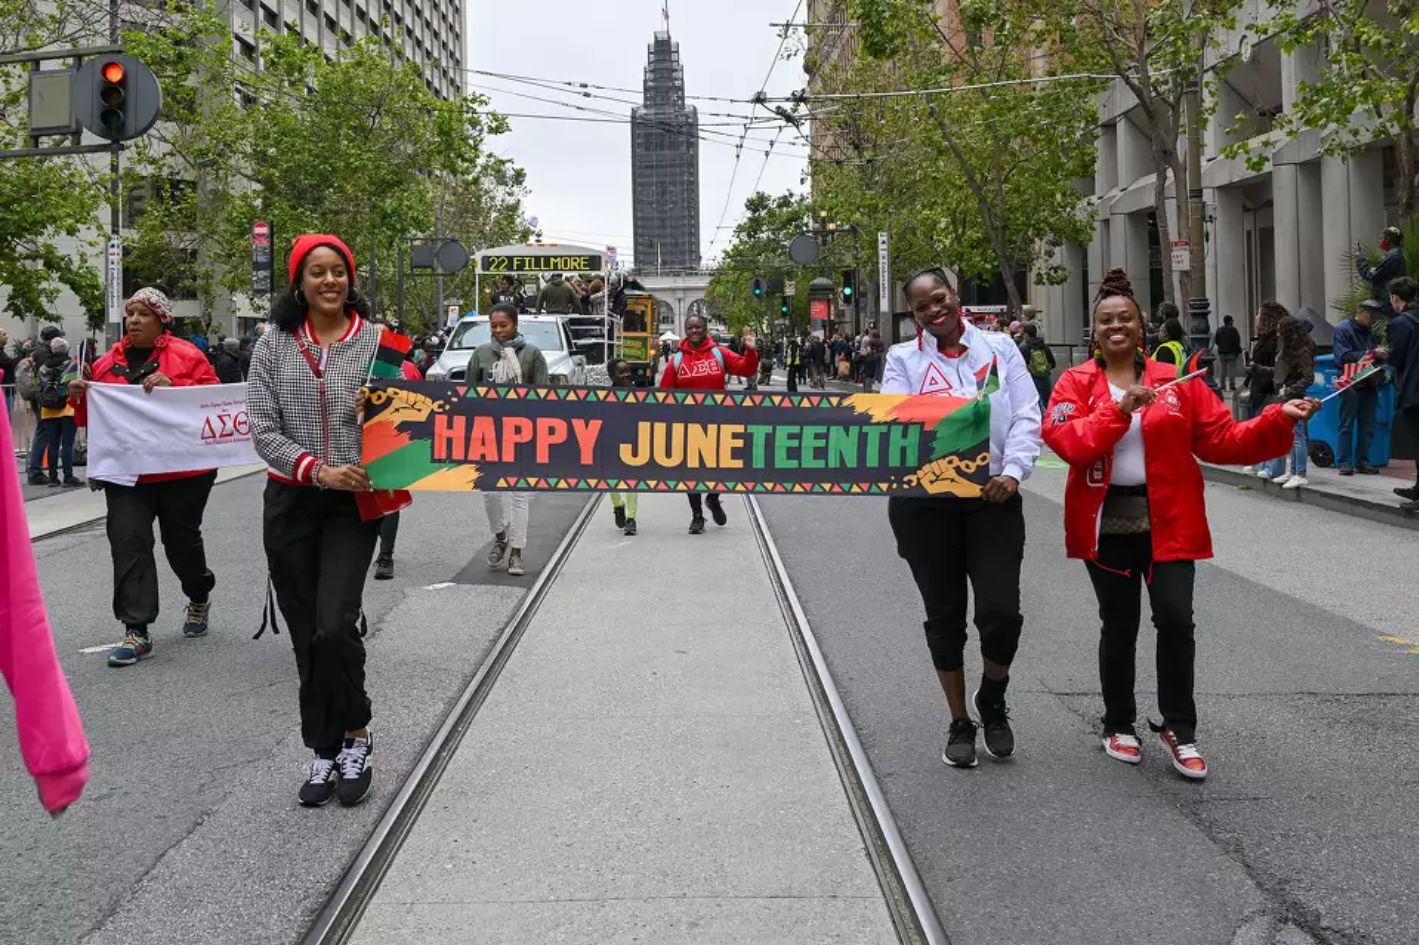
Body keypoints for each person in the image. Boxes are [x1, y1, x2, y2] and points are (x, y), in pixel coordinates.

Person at [1043, 268, 1313, 780]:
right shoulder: (1075, 383)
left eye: (1126, 318)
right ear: (1094, 331)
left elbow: (1222, 439)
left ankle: (1180, 729)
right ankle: (1118, 723)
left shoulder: (1175, 381)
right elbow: (1068, 443)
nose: (1116, 326)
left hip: (1171, 521)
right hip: (1106, 525)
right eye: (1106, 320)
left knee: (1176, 620)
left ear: (1140, 326)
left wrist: (1279, 416)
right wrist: (1118, 411)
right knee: (1118, 625)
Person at [881, 267, 1040, 769]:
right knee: (944, 617)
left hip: (993, 498)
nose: (934, 310)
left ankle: (992, 695)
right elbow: (895, 419)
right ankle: (959, 720)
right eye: (921, 306)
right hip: (926, 505)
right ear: (914, 314)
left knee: (1001, 614)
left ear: (954, 295)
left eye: (939, 298)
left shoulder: (1000, 348)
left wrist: (1012, 472)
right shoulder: (901, 359)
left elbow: (1026, 414)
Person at [246, 234, 383, 807]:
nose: (330, 281)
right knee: (307, 636)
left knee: (333, 625)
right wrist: (315, 469)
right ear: (299, 283)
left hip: (354, 503)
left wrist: (383, 408)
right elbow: (263, 429)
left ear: (350, 280)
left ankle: (357, 733)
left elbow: (416, 415)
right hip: (292, 502)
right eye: (317, 272)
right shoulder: (272, 345)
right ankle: (324, 747)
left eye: (338, 272)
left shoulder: (379, 342)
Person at [68, 287, 221, 667]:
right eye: (131, 313)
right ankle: (136, 629)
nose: (134, 320)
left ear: (162, 320)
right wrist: (79, 397)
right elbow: (89, 421)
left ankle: (198, 594)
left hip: (182, 471)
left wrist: (177, 388)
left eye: (143, 314)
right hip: (127, 474)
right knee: (129, 541)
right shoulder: (105, 364)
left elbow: (214, 401)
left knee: (180, 542)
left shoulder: (188, 356)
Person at [466, 302, 549, 577]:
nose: (499, 330)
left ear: (515, 324)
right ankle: (500, 537)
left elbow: (544, 396)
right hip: (488, 433)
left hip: (523, 433)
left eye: (504, 325)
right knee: (489, 492)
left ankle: (517, 551)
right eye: (494, 326)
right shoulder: (480, 354)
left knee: (519, 494)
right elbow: (468, 394)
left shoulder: (532, 354)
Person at [660, 314, 758, 534]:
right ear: (686, 330)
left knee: (722, 468)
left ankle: (713, 498)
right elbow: (664, 394)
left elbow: (747, 369)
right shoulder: (676, 360)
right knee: (691, 472)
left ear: (705, 329)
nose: (694, 331)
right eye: (690, 327)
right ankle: (697, 516)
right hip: (689, 426)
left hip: (718, 424)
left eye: (698, 327)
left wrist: (751, 350)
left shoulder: (719, 353)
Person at [372, 351, 425, 581]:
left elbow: (412, 400)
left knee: (389, 495)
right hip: (354, 438)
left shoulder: (399, 367)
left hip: (388, 436)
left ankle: (385, 555)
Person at [1333, 299, 1385, 475]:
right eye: (1371, 316)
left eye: (1376, 318)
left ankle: (1363, 461)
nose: (1373, 321)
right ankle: (1344, 462)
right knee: (1347, 424)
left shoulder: (1370, 332)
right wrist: (1371, 353)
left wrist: (1380, 356)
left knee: (1367, 425)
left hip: (1369, 381)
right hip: (1350, 381)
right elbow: (1342, 357)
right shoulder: (1343, 329)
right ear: (1360, 312)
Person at [1265, 314, 1316, 488]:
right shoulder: (1290, 349)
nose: (1278, 333)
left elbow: (1308, 377)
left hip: (1294, 396)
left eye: (1280, 330)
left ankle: (1299, 473)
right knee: (1292, 435)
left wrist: (1289, 390)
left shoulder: (1302, 351)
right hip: (1287, 394)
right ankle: (1293, 471)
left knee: (1297, 435)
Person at [1386, 278, 1419, 508]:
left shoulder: (1402, 322)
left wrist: (1384, 356)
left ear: (1395, 298)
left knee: (1416, 441)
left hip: (1414, 388)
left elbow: (1397, 357)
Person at [1240, 302, 1283, 476]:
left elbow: (1277, 367)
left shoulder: (1275, 341)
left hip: (1268, 388)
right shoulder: (1261, 339)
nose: (1256, 318)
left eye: (1260, 314)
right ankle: (1259, 462)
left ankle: (1269, 466)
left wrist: (1257, 369)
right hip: (1258, 385)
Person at [34, 337, 81, 488]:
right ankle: (68, 476)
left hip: (48, 410)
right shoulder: (71, 365)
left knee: (52, 444)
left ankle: (53, 478)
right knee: (67, 444)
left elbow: (39, 387)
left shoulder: (43, 368)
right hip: (67, 408)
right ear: (66, 350)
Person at [606, 358, 639, 536]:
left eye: (628, 371)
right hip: (611, 443)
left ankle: (631, 518)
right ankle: (618, 505)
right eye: (621, 372)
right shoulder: (605, 397)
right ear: (612, 376)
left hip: (632, 444)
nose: (627, 375)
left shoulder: (638, 395)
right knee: (610, 479)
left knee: (632, 480)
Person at [1358, 225, 1407, 304]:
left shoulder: (1393, 256)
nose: (1380, 240)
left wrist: (1360, 260)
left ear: (1387, 240)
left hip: (1385, 303)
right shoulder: (1395, 254)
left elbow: (1372, 276)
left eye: (1381, 238)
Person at [1018, 322, 1056, 411]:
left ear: (1026, 334)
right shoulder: (1044, 346)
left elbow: (1019, 365)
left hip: (1032, 378)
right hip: (1046, 378)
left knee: (1036, 404)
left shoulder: (1024, 347)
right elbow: (1053, 363)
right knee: (1047, 403)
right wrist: (1043, 369)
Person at [1214, 315, 1242, 392]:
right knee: (1232, 370)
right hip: (1232, 353)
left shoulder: (1219, 330)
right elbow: (1237, 341)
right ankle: (1232, 386)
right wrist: (1237, 351)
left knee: (1223, 370)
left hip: (1222, 353)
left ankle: (1222, 386)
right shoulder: (1234, 330)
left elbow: (1216, 341)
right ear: (1230, 321)